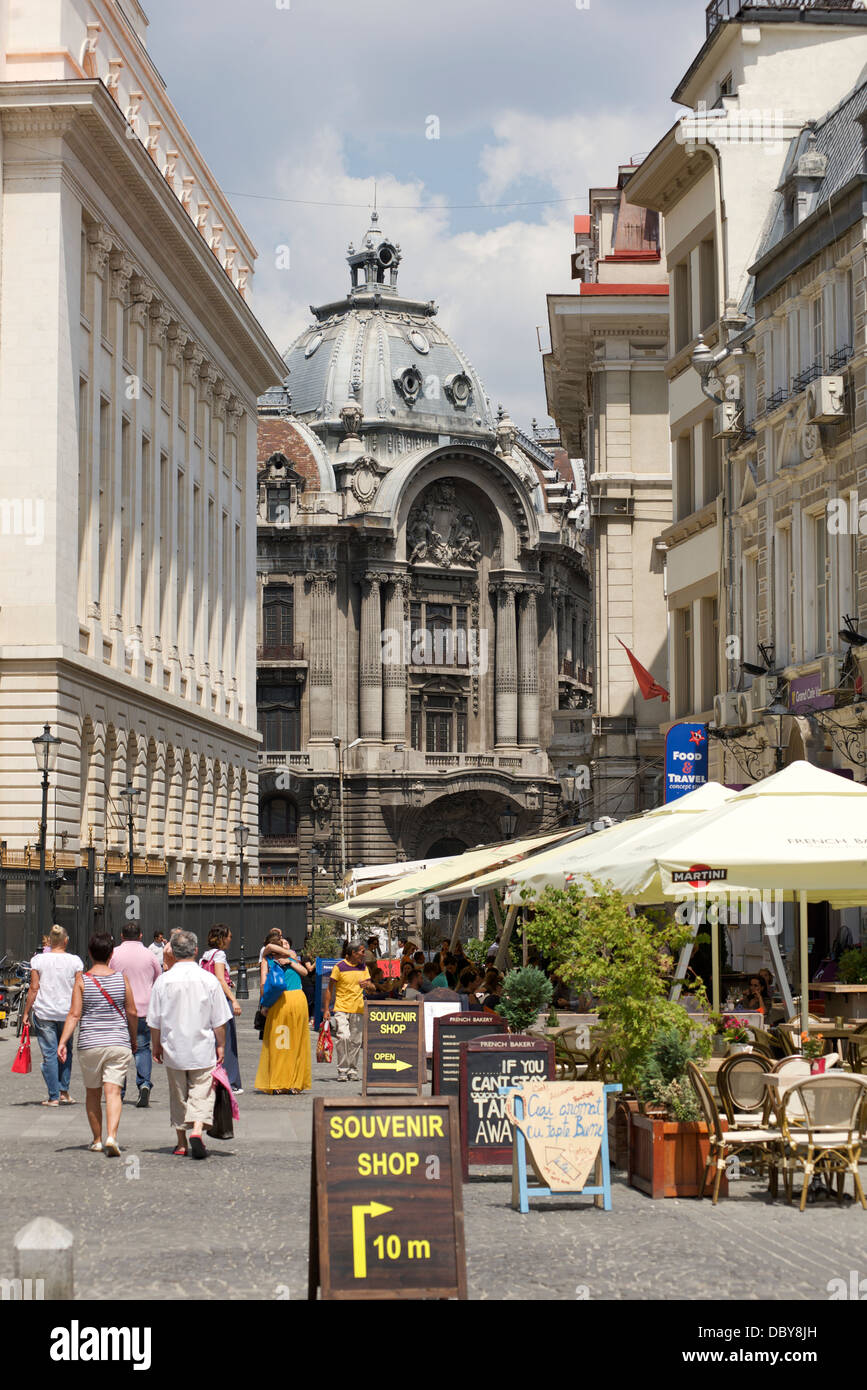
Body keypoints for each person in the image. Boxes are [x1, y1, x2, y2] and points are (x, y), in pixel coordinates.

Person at [147, 929, 232, 1158]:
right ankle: (197, 1129)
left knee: (178, 1094)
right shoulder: (209, 980)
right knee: (202, 1092)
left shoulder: (163, 981)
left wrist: (155, 1045)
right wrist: (221, 1045)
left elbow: (154, 1020)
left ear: (172, 952)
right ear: (196, 951)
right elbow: (219, 1020)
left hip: (173, 1047)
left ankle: (181, 1142)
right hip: (202, 1046)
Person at [57, 931, 137, 1155]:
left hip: (90, 1043)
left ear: (90, 954)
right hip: (118, 1041)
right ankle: (112, 1136)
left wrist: (63, 1042)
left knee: (93, 1093)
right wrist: (132, 1038)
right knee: (113, 1092)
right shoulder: (122, 978)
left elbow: (74, 1014)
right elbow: (132, 1011)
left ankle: (97, 1139)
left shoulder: (82, 980)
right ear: (112, 954)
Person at [22, 924, 84, 1106]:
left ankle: (53, 1096)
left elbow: (34, 988)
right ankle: (64, 1091)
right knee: (66, 1051)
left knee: (49, 1054)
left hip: (44, 1012)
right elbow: (80, 987)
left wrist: (26, 1012)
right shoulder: (75, 961)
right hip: (67, 1013)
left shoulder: (38, 960)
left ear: (50, 941)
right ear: (66, 941)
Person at [110, 922, 162, 1107]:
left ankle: (119, 1090)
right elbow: (158, 978)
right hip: (144, 1010)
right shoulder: (149, 955)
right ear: (140, 936)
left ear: (122, 936)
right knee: (142, 1048)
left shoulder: (114, 954)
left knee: (120, 1051)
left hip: (120, 1010)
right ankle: (144, 1084)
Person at [254, 934, 311, 1095]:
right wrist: (264, 1004)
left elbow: (305, 972)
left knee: (296, 1042)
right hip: (280, 1002)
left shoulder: (292, 958)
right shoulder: (268, 959)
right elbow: (263, 982)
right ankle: (278, 1081)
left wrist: (289, 961)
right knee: (280, 1043)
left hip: (297, 1000)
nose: (286, 946)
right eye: (283, 943)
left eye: (286, 943)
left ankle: (295, 1082)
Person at [322, 939, 374, 1083]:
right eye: (362, 952)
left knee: (356, 1041)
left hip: (358, 1009)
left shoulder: (364, 968)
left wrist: (368, 985)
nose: (364, 954)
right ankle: (342, 1069)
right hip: (341, 1008)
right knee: (343, 1037)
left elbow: (372, 988)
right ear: (353, 952)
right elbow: (329, 988)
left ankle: (352, 1069)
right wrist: (326, 1009)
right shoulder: (339, 967)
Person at [200, 924, 243, 1093]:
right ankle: (229, 1080)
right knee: (227, 1040)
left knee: (212, 1040)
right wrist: (234, 1000)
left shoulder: (205, 955)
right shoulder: (220, 954)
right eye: (229, 936)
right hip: (221, 1000)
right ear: (222, 938)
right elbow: (219, 978)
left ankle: (212, 1076)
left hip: (207, 1001)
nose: (231, 939)